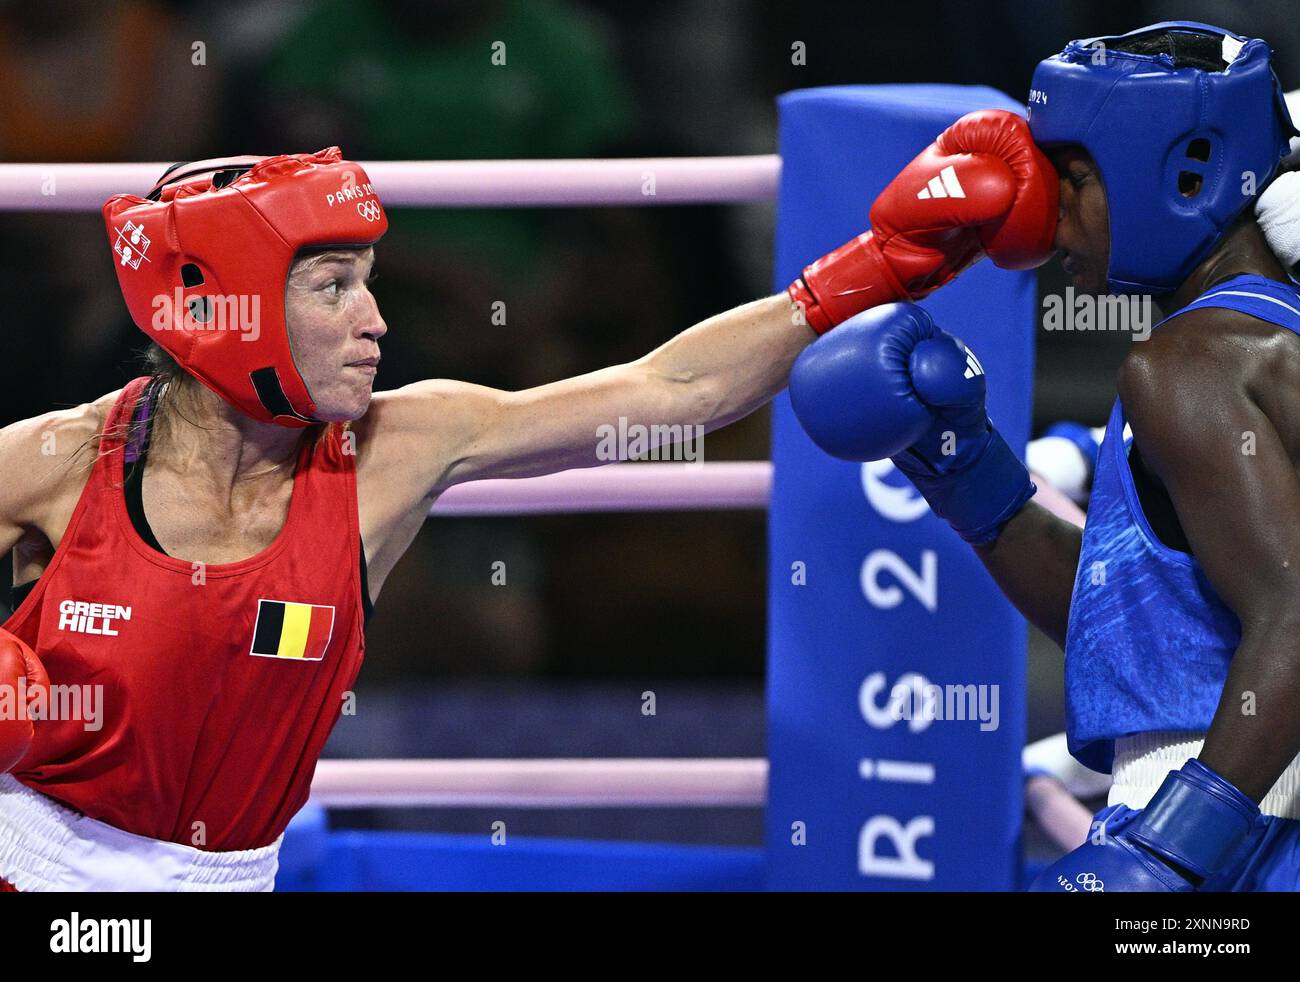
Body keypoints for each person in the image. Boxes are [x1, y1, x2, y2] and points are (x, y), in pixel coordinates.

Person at [0, 133, 1056, 889]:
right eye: (330, 286)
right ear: (210, 304)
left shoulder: (399, 447)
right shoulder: (54, 463)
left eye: (367, 280)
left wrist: (878, 269)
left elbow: (669, 392)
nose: (374, 320)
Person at [791, 21, 1300, 891]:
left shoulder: (1187, 365)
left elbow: (1295, 612)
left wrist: (1178, 843)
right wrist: (969, 474)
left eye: (1072, 177)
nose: (1038, 212)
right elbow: (1150, 633)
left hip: (1235, 823)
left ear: (1181, 170)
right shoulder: (1254, 336)